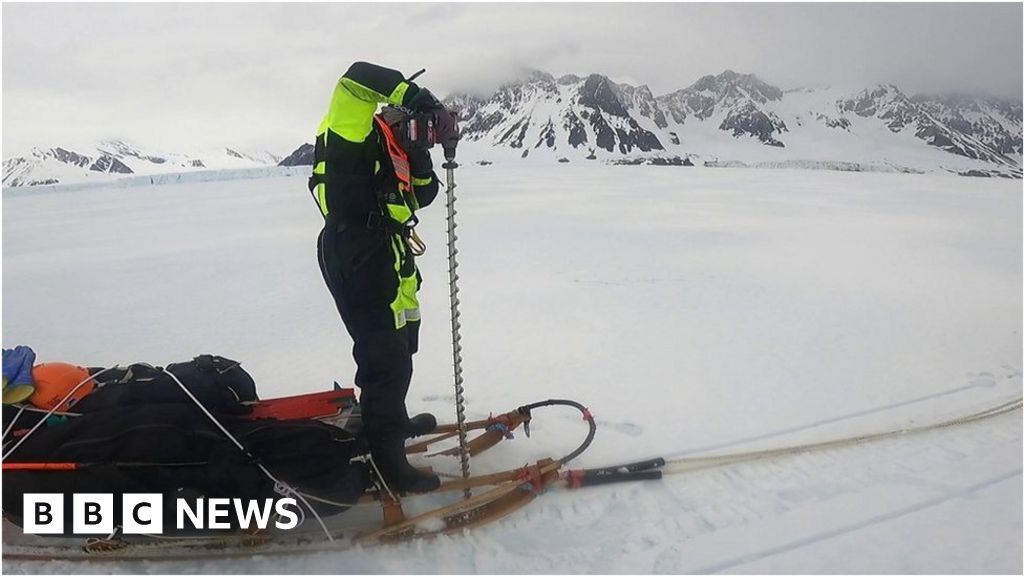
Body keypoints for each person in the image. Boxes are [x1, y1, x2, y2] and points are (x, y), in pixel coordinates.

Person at [310, 62, 457, 494]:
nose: (403, 120)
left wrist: (420, 150)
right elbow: (355, 77)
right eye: (399, 112)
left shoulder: (391, 143)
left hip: (389, 253)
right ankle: (386, 454)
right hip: (357, 250)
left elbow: (424, 193)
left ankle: (392, 420)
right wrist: (418, 97)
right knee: (383, 356)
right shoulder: (350, 127)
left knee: (403, 340)